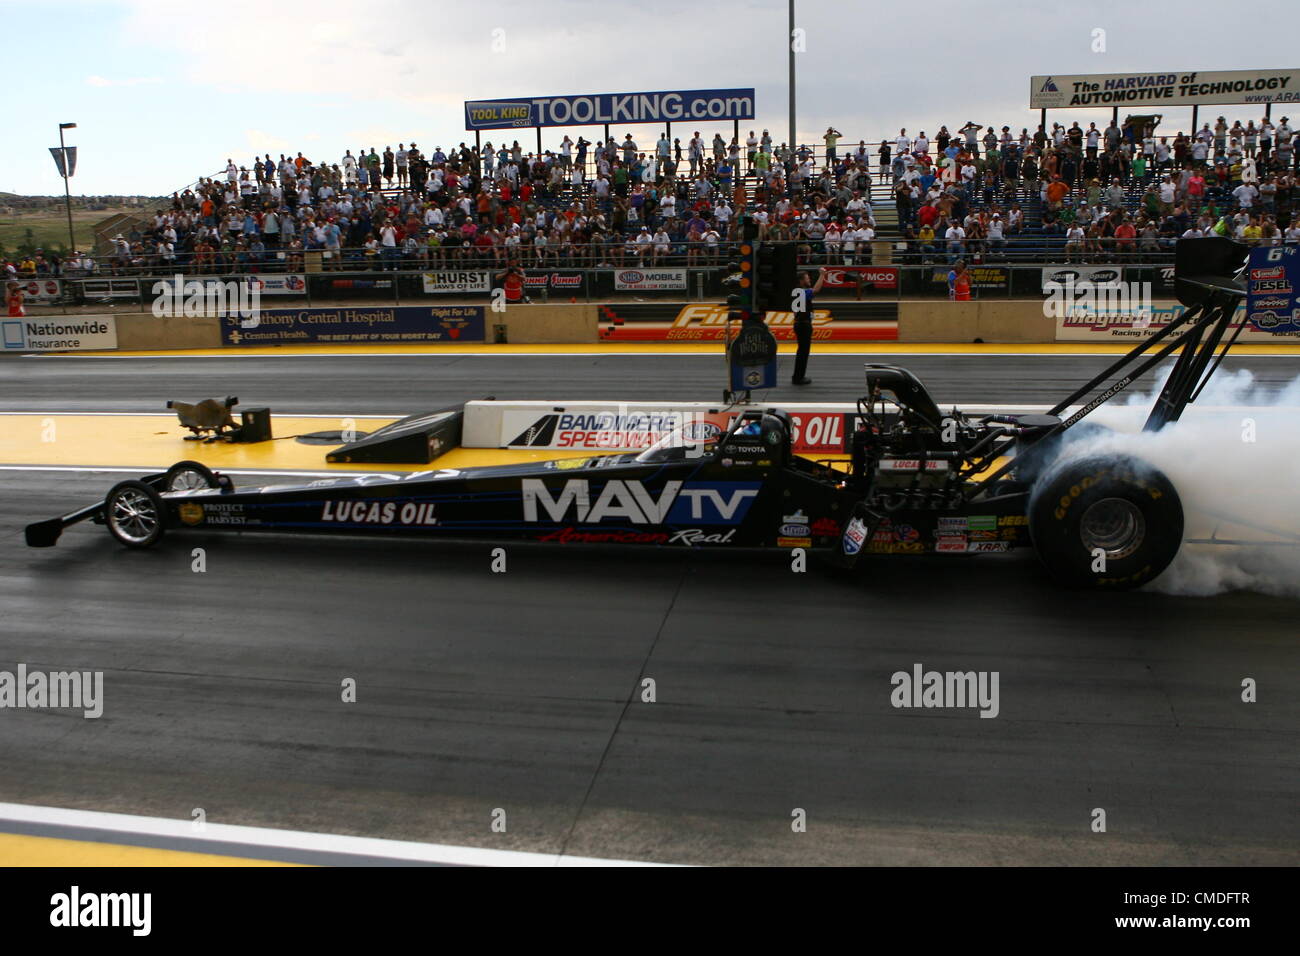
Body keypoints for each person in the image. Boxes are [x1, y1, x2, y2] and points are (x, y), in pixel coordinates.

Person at [791, 269, 826, 385]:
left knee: (802, 351)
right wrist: (822, 275)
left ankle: (798, 376)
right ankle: (798, 377)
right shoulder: (801, 292)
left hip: (800, 323)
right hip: (803, 324)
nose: (809, 280)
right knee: (803, 352)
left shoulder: (796, 292)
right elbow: (815, 290)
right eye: (807, 278)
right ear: (801, 281)